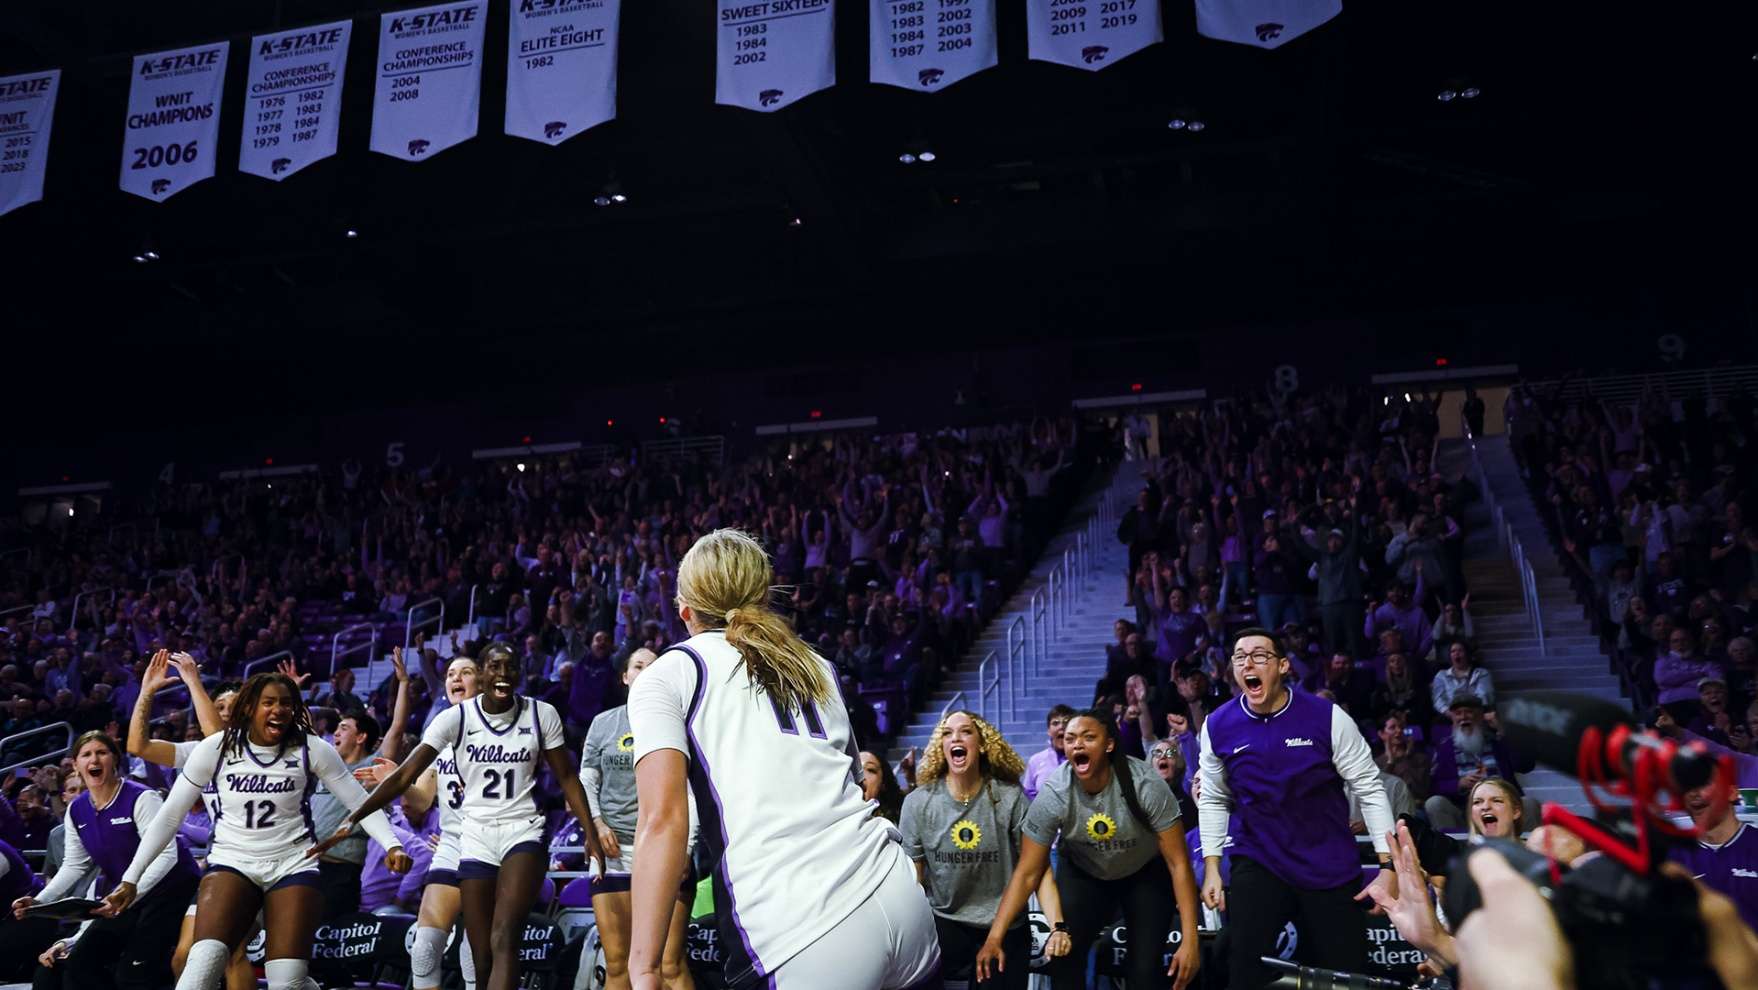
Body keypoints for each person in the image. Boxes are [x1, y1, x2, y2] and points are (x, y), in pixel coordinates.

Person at [625, 528, 939, 990]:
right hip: (898, 897)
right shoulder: (816, 664)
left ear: (684, 608)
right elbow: (855, 783)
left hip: (803, 925)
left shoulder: (671, 672)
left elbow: (663, 822)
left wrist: (645, 965)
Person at [313, 641, 604, 990]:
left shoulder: (539, 715)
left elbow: (567, 778)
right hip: (462, 840)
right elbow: (416, 793)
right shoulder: (447, 724)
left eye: (464, 671)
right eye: (451, 673)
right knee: (452, 949)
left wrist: (592, 831)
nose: (458, 677)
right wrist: (359, 813)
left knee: (502, 938)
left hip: (521, 830)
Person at [97, 671, 411, 990]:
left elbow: (360, 801)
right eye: (269, 702)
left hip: (292, 864)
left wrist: (391, 845)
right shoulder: (214, 748)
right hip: (233, 862)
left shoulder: (312, 749)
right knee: (199, 966)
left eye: (286, 703)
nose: (279, 710)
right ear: (249, 708)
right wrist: (130, 879)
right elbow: (168, 817)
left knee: (286, 982)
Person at [1197, 627, 1396, 988]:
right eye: (1240, 657)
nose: (1248, 663)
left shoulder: (1327, 717)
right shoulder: (1217, 725)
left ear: (1284, 666)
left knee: (1346, 977)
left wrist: (1388, 865)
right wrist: (1212, 866)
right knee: (1243, 970)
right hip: (1259, 860)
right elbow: (1212, 797)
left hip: (1328, 863)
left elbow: (1368, 787)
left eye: (1259, 655)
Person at [976, 709, 1200, 989]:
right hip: (1084, 873)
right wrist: (994, 938)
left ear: (1109, 744)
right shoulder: (1056, 792)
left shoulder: (1145, 784)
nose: (1077, 744)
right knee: (1063, 957)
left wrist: (1191, 942)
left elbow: (1179, 863)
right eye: (1070, 739)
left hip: (1144, 873)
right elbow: (1027, 872)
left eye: (1088, 737)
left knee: (1145, 970)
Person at [15, 731, 200, 990]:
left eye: (102, 752)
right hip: (122, 897)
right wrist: (39, 901)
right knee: (80, 963)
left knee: (133, 975)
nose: (95, 759)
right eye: (86, 754)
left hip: (170, 893)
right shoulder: (76, 809)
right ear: (76, 765)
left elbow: (167, 855)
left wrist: (127, 892)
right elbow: (74, 865)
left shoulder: (142, 797)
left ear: (114, 759)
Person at [901, 710, 1066, 990]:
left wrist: (1057, 927)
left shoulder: (1010, 798)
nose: (956, 737)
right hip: (947, 924)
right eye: (947, 733)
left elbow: (1038, 870)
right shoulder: (919, 803)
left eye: (966, 731)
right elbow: (912, 881)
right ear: (942, 748)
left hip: (1006, 927)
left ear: (982, 744)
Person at [123, 651, 253, 990]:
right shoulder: (200, 751)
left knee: (232, 951)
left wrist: (193, 679)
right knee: (183, 957)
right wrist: (147, 692)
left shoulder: (253, 747)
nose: (224, 713)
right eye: (219, 706)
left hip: (260, 859)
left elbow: (217, 738)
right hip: (220, 864)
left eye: (231, 707)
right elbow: (138, 745)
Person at [579, 648, 696, 990]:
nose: (646, 671)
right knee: (617, 964)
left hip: (665, 851)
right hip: (614, 854)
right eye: (638, 665)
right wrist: (597, 825)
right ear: (625, 676)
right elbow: (587, 781)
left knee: (670, 965)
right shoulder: (604, 723)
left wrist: (686, 847)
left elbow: (690, 790)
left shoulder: (679, 721)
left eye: (654, 666)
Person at [1669, 781, 1758, 933]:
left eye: (1704, 784)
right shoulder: (1673, 858)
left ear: (1732, 793)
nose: (1694, 793)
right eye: (1687, 787)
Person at [1021, 704, 1075, 800]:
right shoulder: (1036, 761)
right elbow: (1028, 795)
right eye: (1055, 723)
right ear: (1049, 731)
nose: (1061, 726)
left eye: (1066, 722)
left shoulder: (1083, 760)